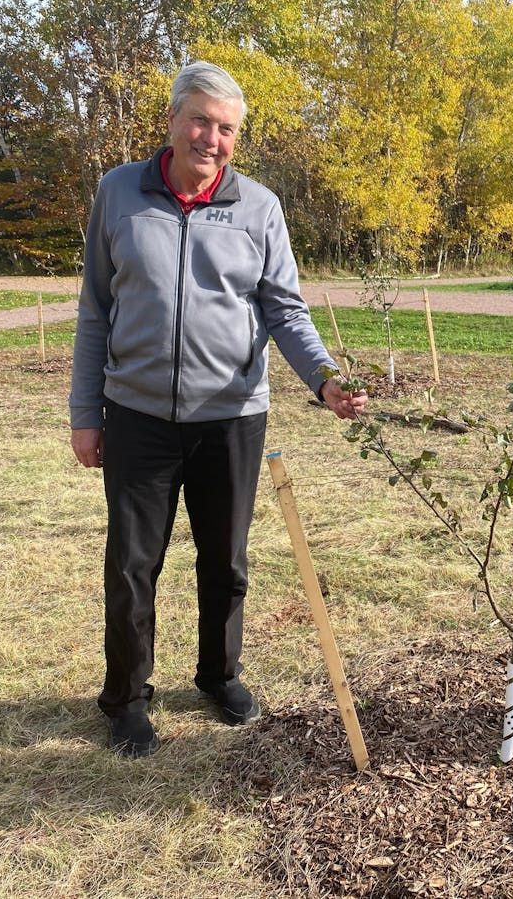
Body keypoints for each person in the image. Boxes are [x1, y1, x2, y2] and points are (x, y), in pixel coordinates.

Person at [69, 61, 366, 758]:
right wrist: (87, 412)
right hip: (137, 416)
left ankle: (218, 675)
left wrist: (323, 378)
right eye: (201, 119)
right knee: (133, 564)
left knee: (225, 561)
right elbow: (94, 310)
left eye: (227, 127)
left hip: (231, 417)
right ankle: (127, 698)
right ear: (172, 120)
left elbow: (283, 309)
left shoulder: (258, 208)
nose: (212, 137)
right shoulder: (118, 193)